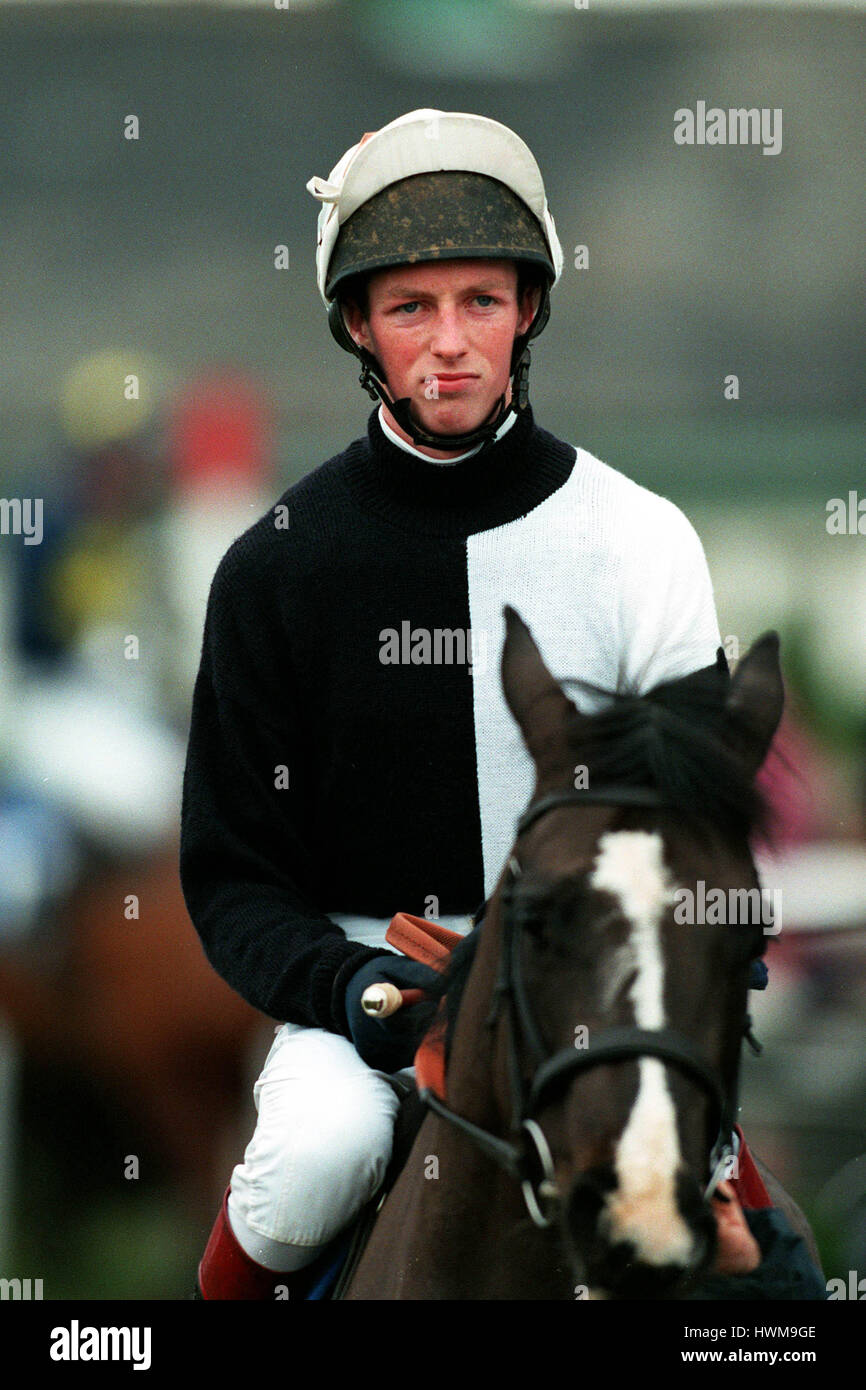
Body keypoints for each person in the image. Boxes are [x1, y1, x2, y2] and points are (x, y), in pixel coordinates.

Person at [180, 108, 821, 1299]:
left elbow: (701, 833)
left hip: (603, 992)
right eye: (410, 307)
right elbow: (232, 877)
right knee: (308, 1166)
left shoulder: (640, 539)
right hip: (371, 992)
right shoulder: (271, 565)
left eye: (480, 300)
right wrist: (359, 991)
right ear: (358, 328)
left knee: (764, 1269)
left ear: (527, 309)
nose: (449, 343)